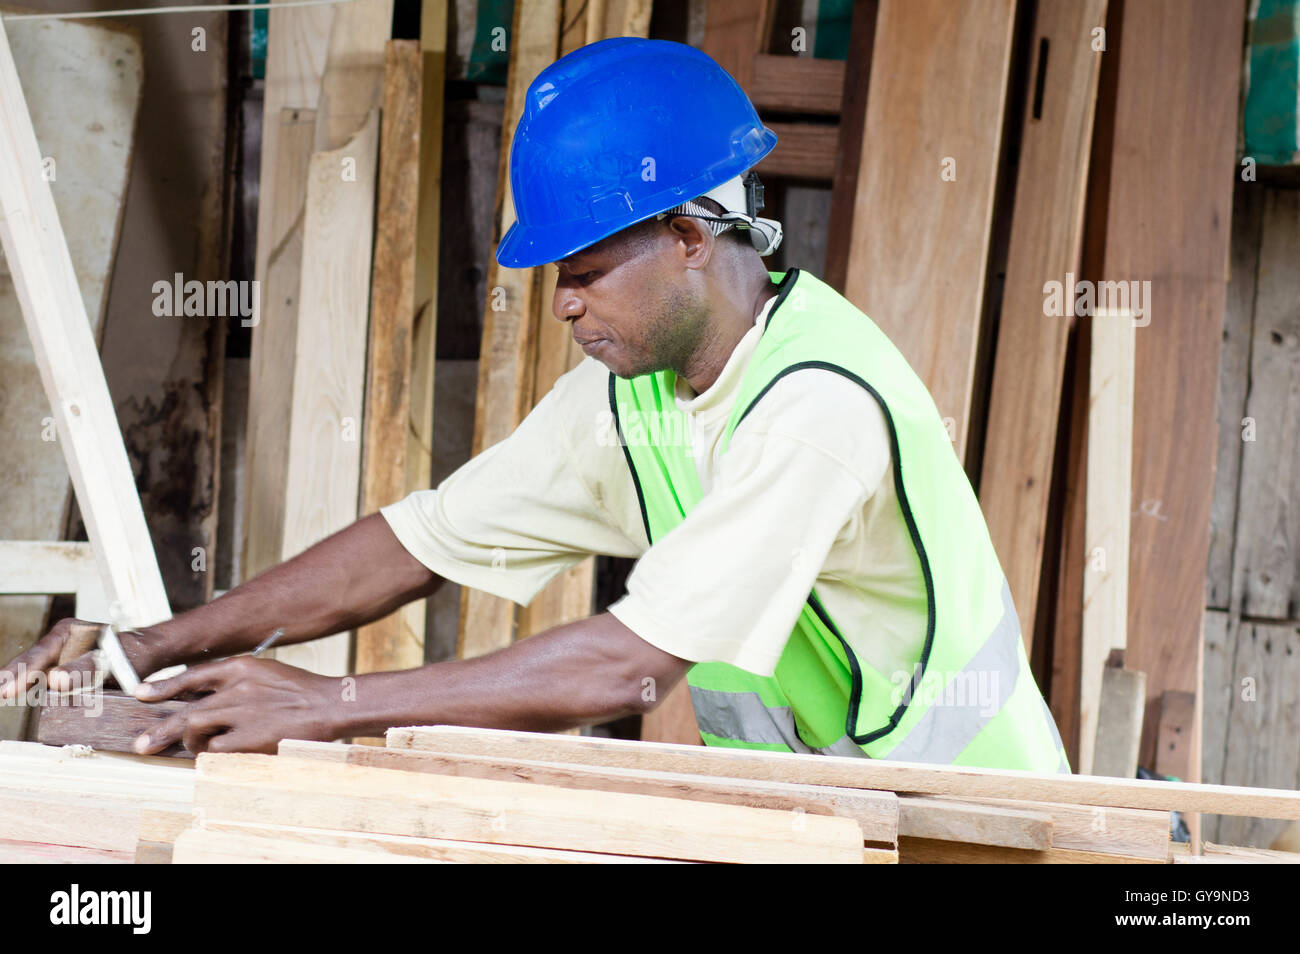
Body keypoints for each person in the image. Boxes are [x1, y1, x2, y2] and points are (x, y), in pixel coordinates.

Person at [0, 38, 1068, 772]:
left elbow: (626, 663)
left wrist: (330, 705)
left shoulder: (814, 406)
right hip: (831, 816)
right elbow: (417, 545)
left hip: (976, 820)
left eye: (586, 270)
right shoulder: (630, 394)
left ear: (691, 239)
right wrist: (150, 647)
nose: (560, 305)